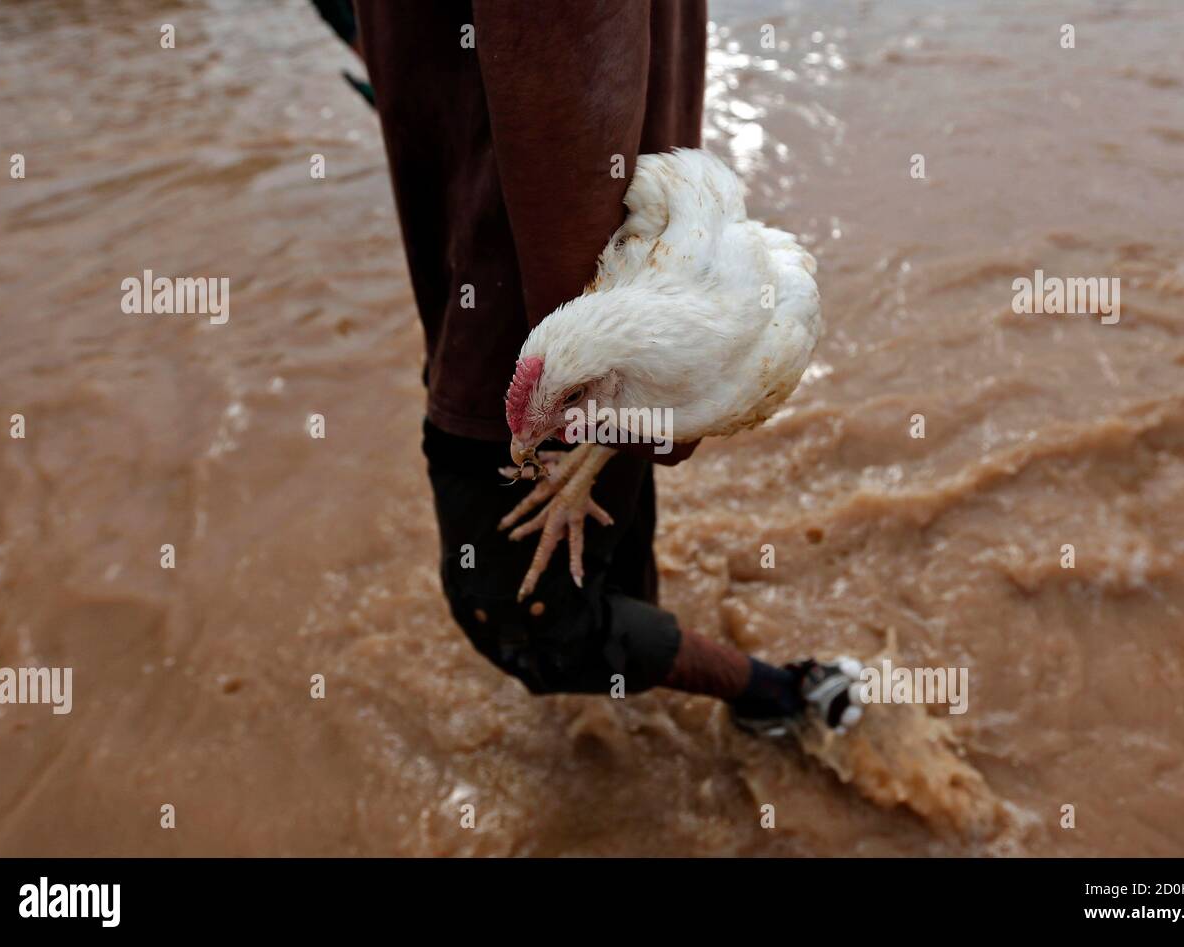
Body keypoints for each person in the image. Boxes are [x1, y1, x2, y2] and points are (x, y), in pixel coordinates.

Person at [353, 1, 860, 737]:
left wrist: (607, 398)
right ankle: (709, 692)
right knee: (602, 570)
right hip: (566, 310)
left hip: (525, 302)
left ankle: (780, 692)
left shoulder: (598, 360)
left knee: (524, 624)